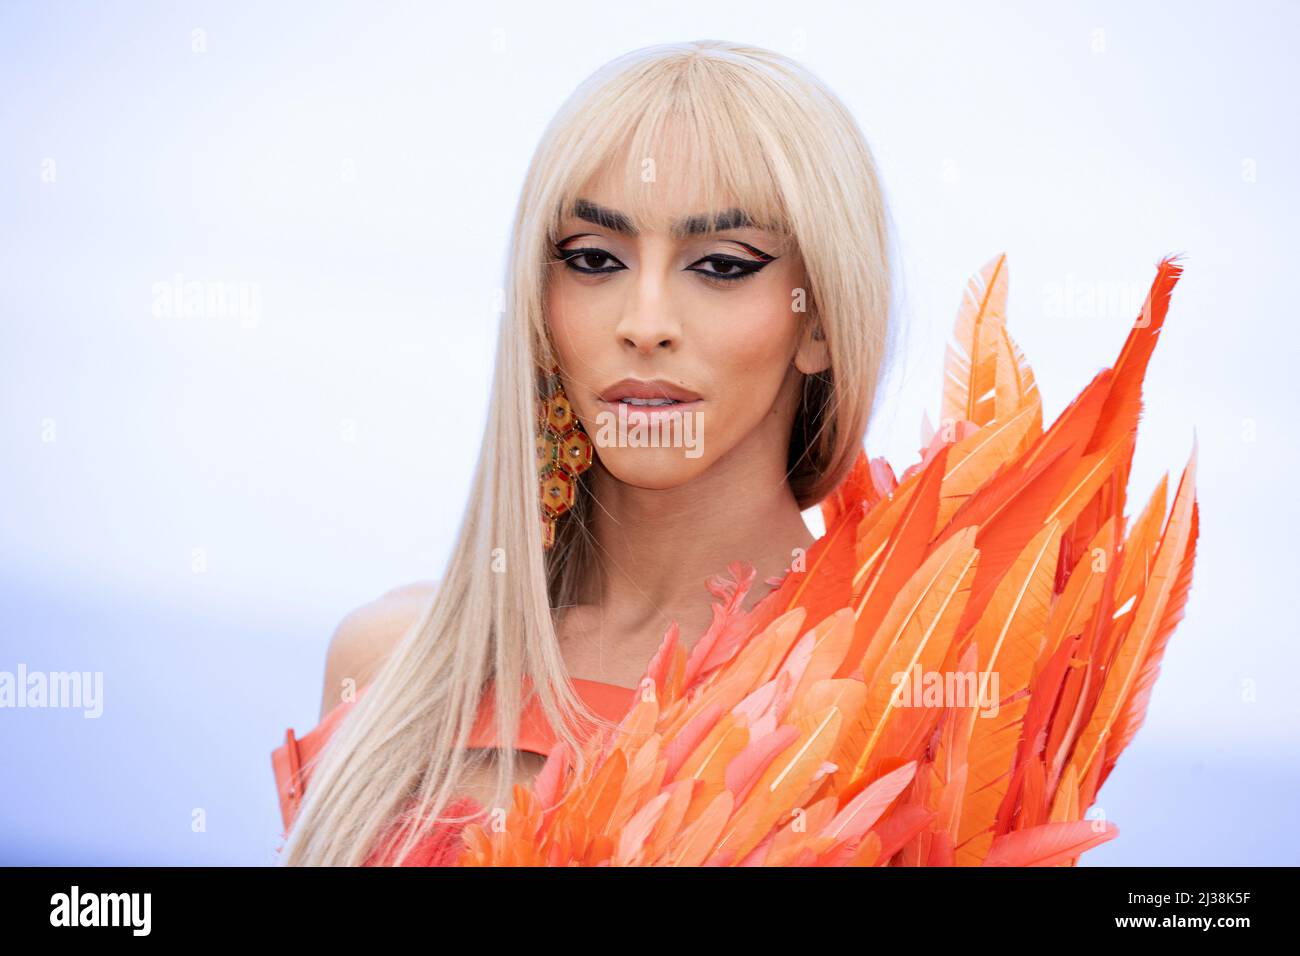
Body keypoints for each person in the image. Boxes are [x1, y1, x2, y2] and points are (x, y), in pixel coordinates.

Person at [272, 39, 1197, 868]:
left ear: (821, 321)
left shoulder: (904, 708)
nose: (644, 325)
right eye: (594, 258)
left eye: (720, 265)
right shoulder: (389, 660)